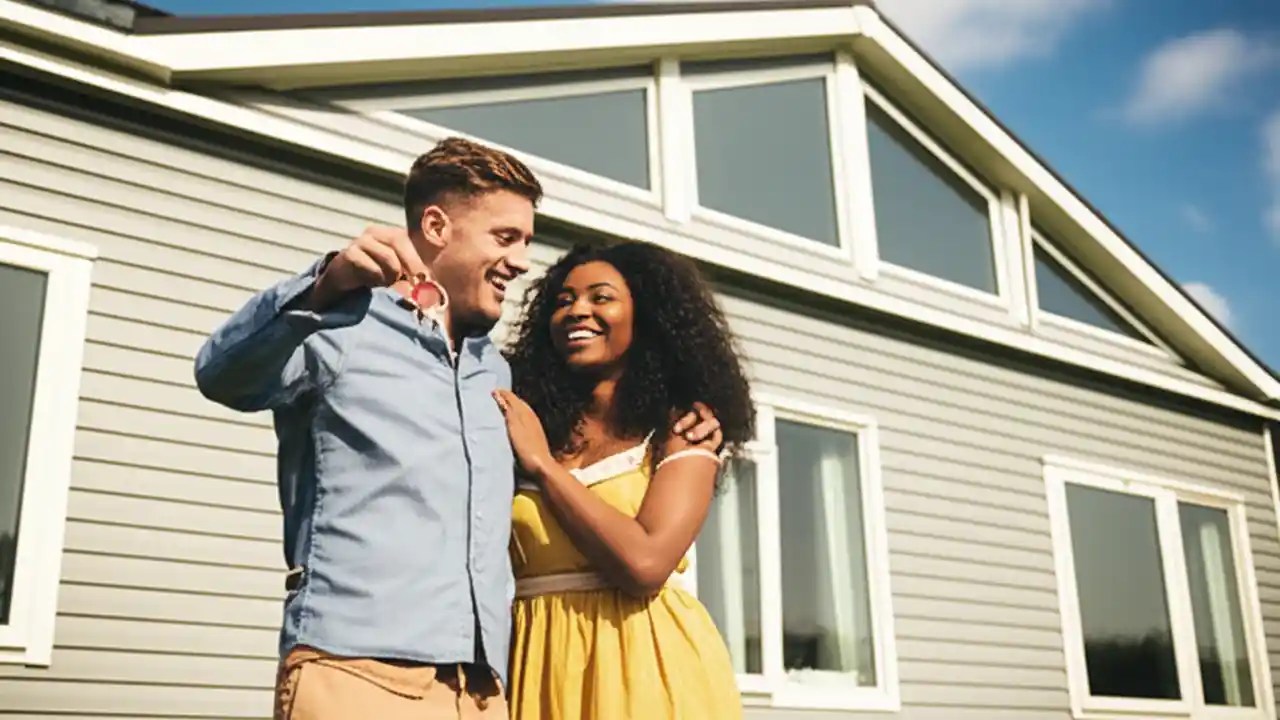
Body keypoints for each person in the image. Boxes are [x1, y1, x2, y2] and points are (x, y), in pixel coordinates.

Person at [194, 137, 538, 719]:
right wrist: (325, 286)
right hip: (358, 675)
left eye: (527, 242)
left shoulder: (493, 370)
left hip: (480, 692)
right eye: (506, 238)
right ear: (436, 226)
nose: (523, 261)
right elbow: (221, 375)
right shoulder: (338, 322)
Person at [492, 240, 757, 719]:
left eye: (601, 297)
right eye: (564, 300)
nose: (578, 311)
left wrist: (544, 468)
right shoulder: (524, 426)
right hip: (537, 664)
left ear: (646, 317)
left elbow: (645, 564)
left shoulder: (681, 431)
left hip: (648, 671)